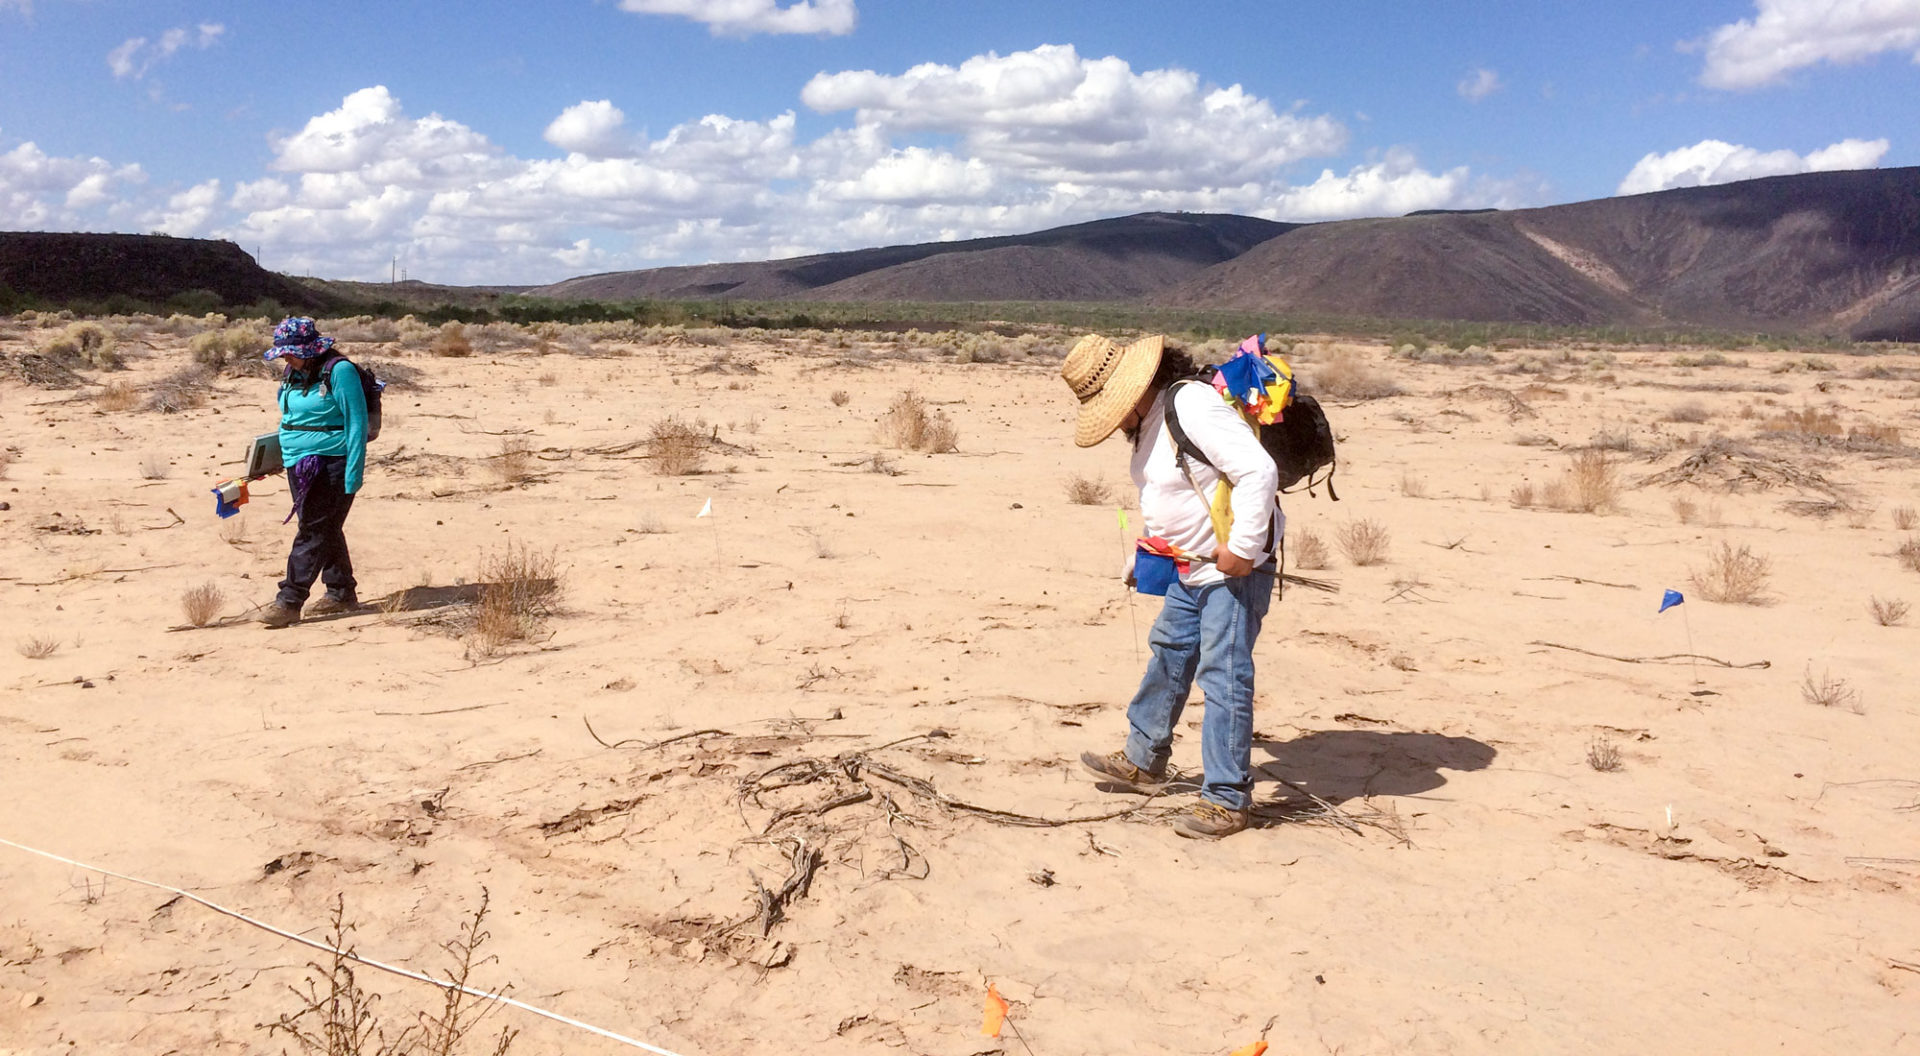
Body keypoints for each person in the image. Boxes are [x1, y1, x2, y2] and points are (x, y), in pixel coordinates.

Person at [1059, 334, 1281, 839]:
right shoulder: (1147, 423)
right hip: (1186, 564)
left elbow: (1258, 470)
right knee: (1170, 652)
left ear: (1134, 390)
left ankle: (1227, 798)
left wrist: (1243, 549)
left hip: (1231, 569)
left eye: (1109, 406)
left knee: (1223, 675)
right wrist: (1149, 554)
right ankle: (1143, 759)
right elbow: (1169, 493)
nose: (1111, 418)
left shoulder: (1191, 405)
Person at [257, 317, 368, 628]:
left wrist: (353, 472)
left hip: (333, 463)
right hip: (297, 462)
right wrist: (275, 457)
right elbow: (288, 417)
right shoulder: (293, 371)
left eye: (290, 352)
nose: (285, 358)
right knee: (322, 526)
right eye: (282, 353)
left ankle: (290, 600)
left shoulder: (340, 371)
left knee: (313, 530)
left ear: (310, 349)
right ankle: (341, 593)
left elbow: (356, 423)